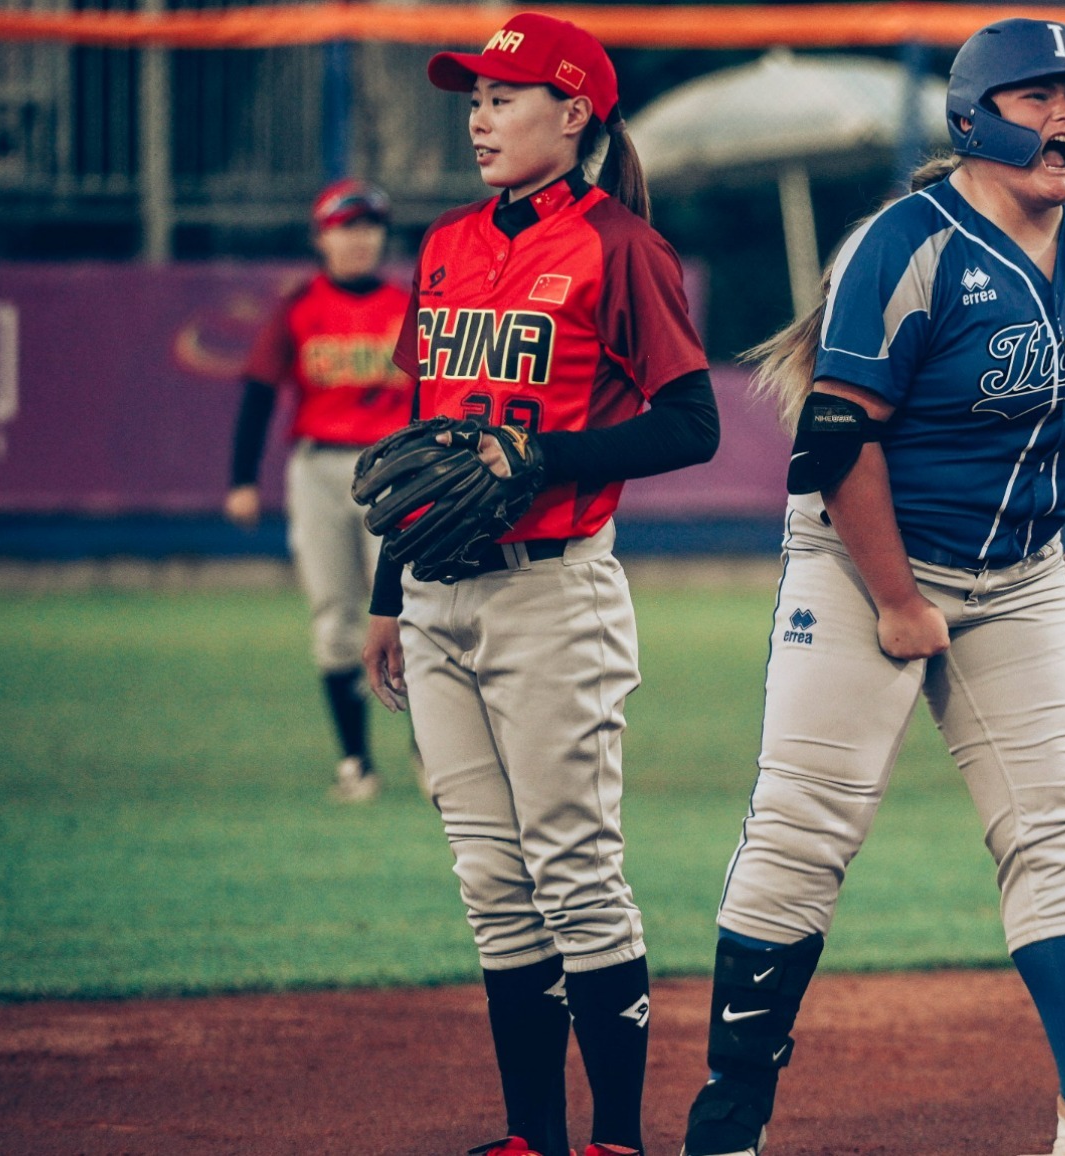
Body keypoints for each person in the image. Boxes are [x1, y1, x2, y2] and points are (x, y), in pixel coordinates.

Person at [676, 17, 1065, 1156]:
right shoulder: (906, 242)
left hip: (1018, 570)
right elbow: (831, 438)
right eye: (1037, 96)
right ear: (973, 116)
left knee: (1053, 828)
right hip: (864, 555)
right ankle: (725, 1128)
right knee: (803, 831)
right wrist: (898, 599)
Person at [359, 13, 719, 1156]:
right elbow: (426, 439)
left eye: (503, 97)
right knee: (489, 880)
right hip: (437, 596)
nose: (478, 117)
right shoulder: (446, 244)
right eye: (471, 99)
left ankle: (615, 1138)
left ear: (574, 114)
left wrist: (548, 458)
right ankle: (533, 1139)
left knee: (572, 871)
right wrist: (385, 591)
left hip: (550, 595)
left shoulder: (622, 247)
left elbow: (692, 425)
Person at [226, 178, 411, 803]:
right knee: (335, 616)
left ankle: (431, 755)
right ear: (320, 237)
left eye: (368, 226)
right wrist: (242, 479)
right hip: (321, 470)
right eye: (345, 226)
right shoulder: (300, 307)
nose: (358, 238)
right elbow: (258, 392)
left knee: (413, 615)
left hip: (395, 468)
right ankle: (356, 761)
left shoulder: (410, 305)